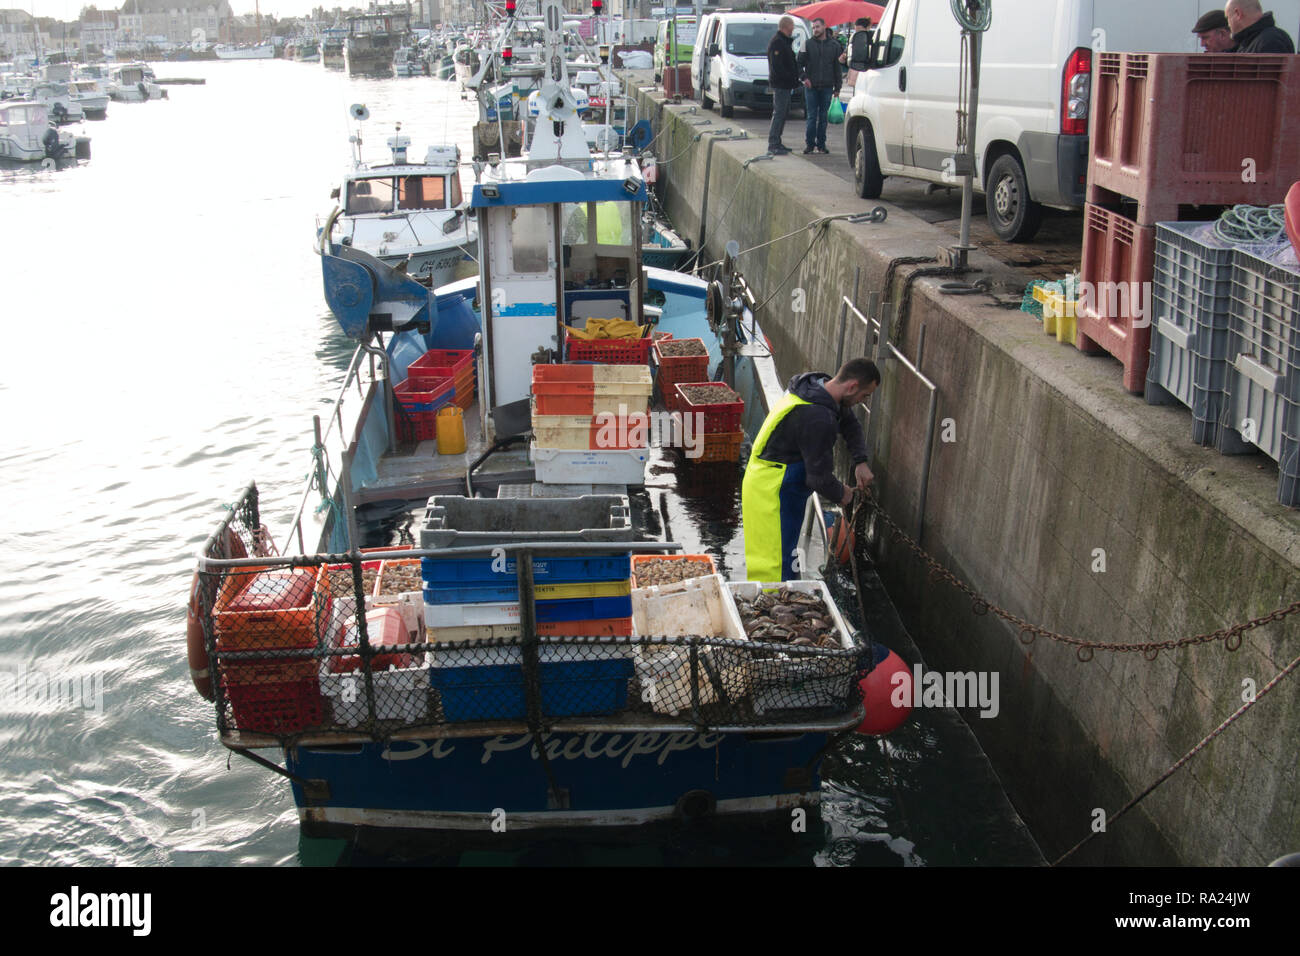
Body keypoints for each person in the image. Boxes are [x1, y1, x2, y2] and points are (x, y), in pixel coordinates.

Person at [741, 359, 880, 582]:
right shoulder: (817, 417)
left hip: (781, 478)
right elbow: (819, 479)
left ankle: (787, 592)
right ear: (852, 386)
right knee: (773, 562)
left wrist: (860, 461)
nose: (862, 401)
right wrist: (842, 494)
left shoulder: (817, 386)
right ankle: (772, 606)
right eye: (864, 396)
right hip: (771, 489)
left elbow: (849, 423)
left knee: (786, 552)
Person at [796, 17, 844, 154]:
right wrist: (804, 78)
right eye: (813, 28)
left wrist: (838, 88)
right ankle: (810, 144)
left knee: (823, 117)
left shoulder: (834, 46)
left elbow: (837, 68)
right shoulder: (807, 44)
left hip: (827, 87)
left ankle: (821, 144)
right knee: (811, 117)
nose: (815, 30)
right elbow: (798, 63)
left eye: (817, 27)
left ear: (824, 27)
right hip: (811, 87)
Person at [766, 16, 799, 155]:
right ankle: (773, 143)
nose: (793, 30)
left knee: (783, 112)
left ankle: (777, 141)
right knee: (779, 113)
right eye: (792, 27)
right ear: (787, 27)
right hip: (781, 84)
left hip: (786, 84)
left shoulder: (784, 42)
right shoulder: (778, 43)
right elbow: (777, 66)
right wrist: (790, 78)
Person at [1224, 0, 1296, 52]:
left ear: (1238, 13)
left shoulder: (1270, 41)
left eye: (1228, 17)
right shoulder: (1248, 42)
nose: (1228, 24)